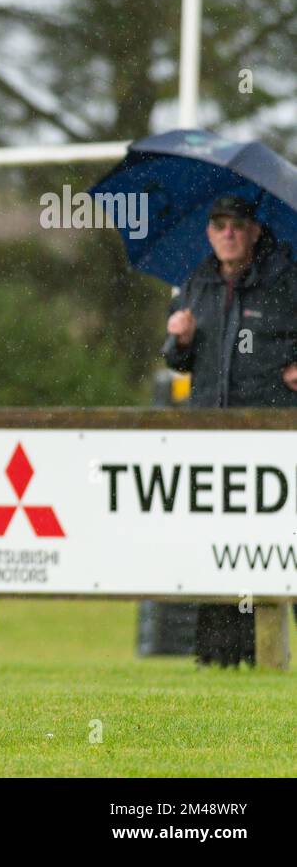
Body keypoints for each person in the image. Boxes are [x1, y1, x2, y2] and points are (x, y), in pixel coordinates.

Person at [164, 193, 297, 667]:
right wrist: (177, 339)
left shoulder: (286, 279)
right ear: (208, 232)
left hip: (276, 438)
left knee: (284, 542)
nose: (227, 233)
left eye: (237, 224)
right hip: (212, 436)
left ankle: (272, 652)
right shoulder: (197, 281)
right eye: (218, 224)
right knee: (218, 544)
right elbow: (180, 362)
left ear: (255, 231)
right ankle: (221, 657)